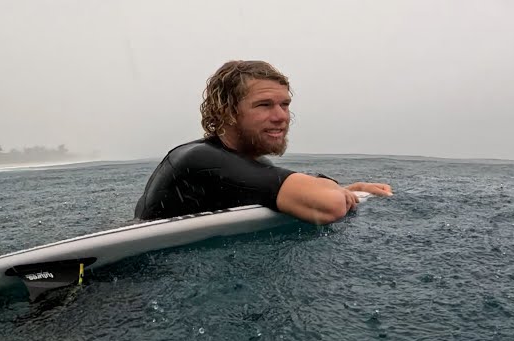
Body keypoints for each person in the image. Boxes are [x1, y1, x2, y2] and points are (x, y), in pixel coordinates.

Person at [134, 60, 392, 224]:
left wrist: (349, 188)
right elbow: (330, 206)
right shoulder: (197, 160)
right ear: (228, 112)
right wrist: (332, 190)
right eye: (264, 105)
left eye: (285, 104)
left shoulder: (247, 163)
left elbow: (268, 187)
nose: (281, 116)